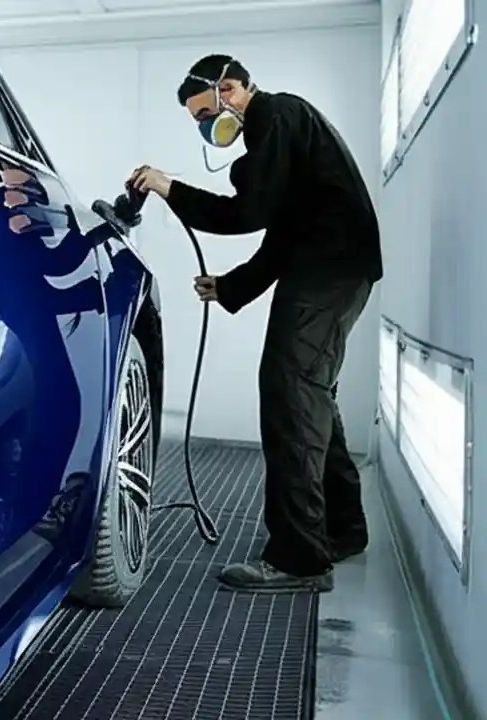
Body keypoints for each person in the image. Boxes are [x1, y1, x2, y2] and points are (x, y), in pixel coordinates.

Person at [128, 55, 383, 593]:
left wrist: (169, 187)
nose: (205, 126)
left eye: (204, 113)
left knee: (290, 393)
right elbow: (282, 232)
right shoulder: (282, 133)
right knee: (310, 394)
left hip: (329, 269)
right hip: (333, 267)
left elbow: (245, 214)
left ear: (230, 88)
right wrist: (234, 286)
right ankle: (342, 528)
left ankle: (299, 560)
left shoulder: (276, 115)